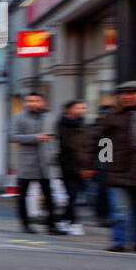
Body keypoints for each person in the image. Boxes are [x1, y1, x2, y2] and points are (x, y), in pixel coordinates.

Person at [96, 80, 136, 253]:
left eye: (133, 93)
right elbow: (100, 139)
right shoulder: (113, 117)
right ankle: (119, 241)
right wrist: (104, 162)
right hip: (118, 172)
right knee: (120, 210)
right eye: (124, 93)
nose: (128, 97)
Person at [10, 91, 61, 235]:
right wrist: (35, 137)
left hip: (45, 160)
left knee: (48, 194)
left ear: (42, 102)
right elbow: (12, 136)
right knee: (23, 195)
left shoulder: (49, 117)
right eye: (29, 101)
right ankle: (25, 224)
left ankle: (51, 225)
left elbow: (55, 136)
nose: (32, 103)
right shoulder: (18, 117)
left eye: (36, 100)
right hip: (26, 161)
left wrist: (54, 151)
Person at [56, 100, 92, 235]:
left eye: (83, 108)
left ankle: (64, 220)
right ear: (68, 110)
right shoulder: (60, 126)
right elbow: (66, 145)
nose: (82, 110)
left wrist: (91, 165)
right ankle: (73, 222)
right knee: (72, 195)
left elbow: (90, 145)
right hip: (66, 167)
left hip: (82, 167)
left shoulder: (84, 126)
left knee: (74, 196)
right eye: (78, 108)